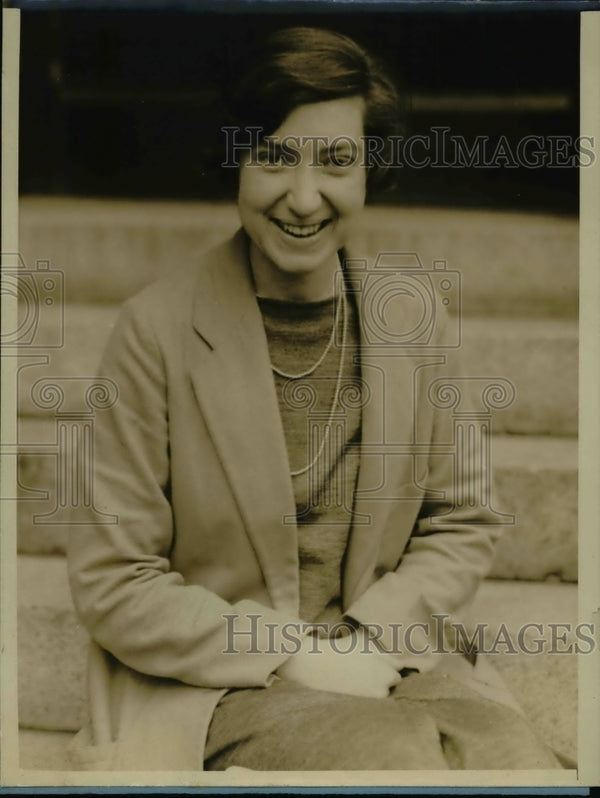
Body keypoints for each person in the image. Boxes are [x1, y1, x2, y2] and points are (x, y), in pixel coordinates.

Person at [67, 26, 561, 771]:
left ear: (371, 171)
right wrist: (293, 653)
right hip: (218, 679)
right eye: (273, 157)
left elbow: (462, 519)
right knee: (395, 764)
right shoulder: (156, 329)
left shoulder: (414, 319)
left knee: (516, 759)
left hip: (387, 656)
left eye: (336, 161)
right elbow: (114, 576)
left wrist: (368, 638)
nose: (303, 198)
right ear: (236, 157)